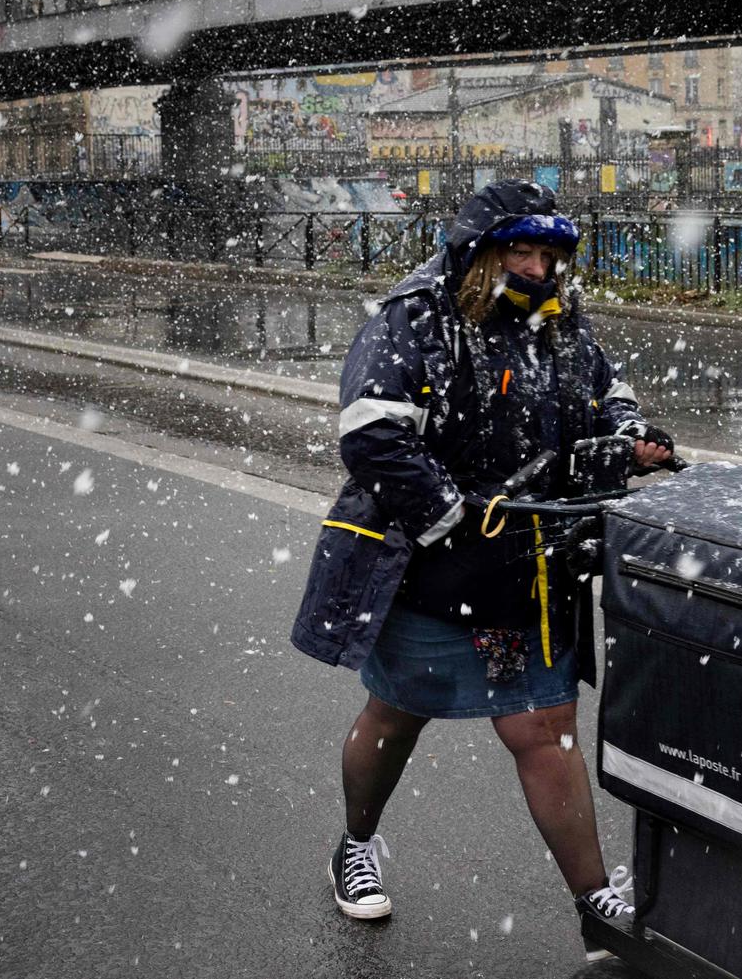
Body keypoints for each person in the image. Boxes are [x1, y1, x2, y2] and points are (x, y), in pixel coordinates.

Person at [290, 179, 675, 949]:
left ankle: (596, 903)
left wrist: (628, 434)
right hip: (432, 564)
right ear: (480, 252)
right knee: (396, 715)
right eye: (519, 251)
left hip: (527, 568)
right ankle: (355, 846)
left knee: (545, 725)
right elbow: (371, 432)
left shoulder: (560, 320)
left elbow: (609, 392)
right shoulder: (417, 315)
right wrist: (451, 515)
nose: (536, 268)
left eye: (548, 254)